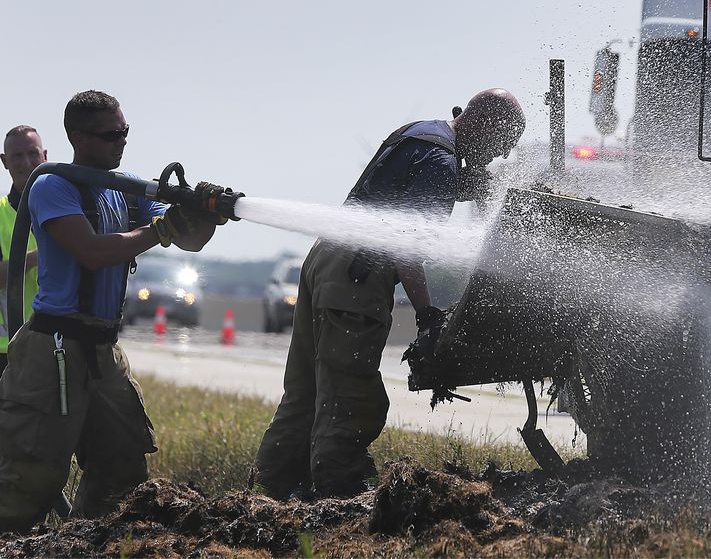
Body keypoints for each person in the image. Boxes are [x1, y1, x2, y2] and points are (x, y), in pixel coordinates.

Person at [253, 88, 525, 500]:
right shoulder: (442, 161)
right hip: (358, 279)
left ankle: (267, 497)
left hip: (327, 259)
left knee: (305, 395)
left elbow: (397, 193)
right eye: (502, 144)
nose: (499, 156)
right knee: (349, 400)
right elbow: (407, 246)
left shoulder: (421, 135)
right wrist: (427, 314)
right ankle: (340, 501)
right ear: (484, 125)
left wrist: (460, 185)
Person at [0, 90, 220, 531]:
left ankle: (82, 543)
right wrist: (159, 231)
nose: (121, 141)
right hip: (53, 350)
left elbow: (189, 238)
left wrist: (205, 211)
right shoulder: (52, 186)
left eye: (125, 132)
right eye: (111, 134)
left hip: (104, 349)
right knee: (29, 477)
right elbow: (93, 252)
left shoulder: (127, 190)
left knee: (122, 471)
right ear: (78, 138)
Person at [0, 126, 48, 374]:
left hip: (53, 342)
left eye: (33, 153)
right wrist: (40, 256)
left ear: (45, 157)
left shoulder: (67, 209)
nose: (26, 162)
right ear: (4, 162)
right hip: (6, 349)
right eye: (17, 156)